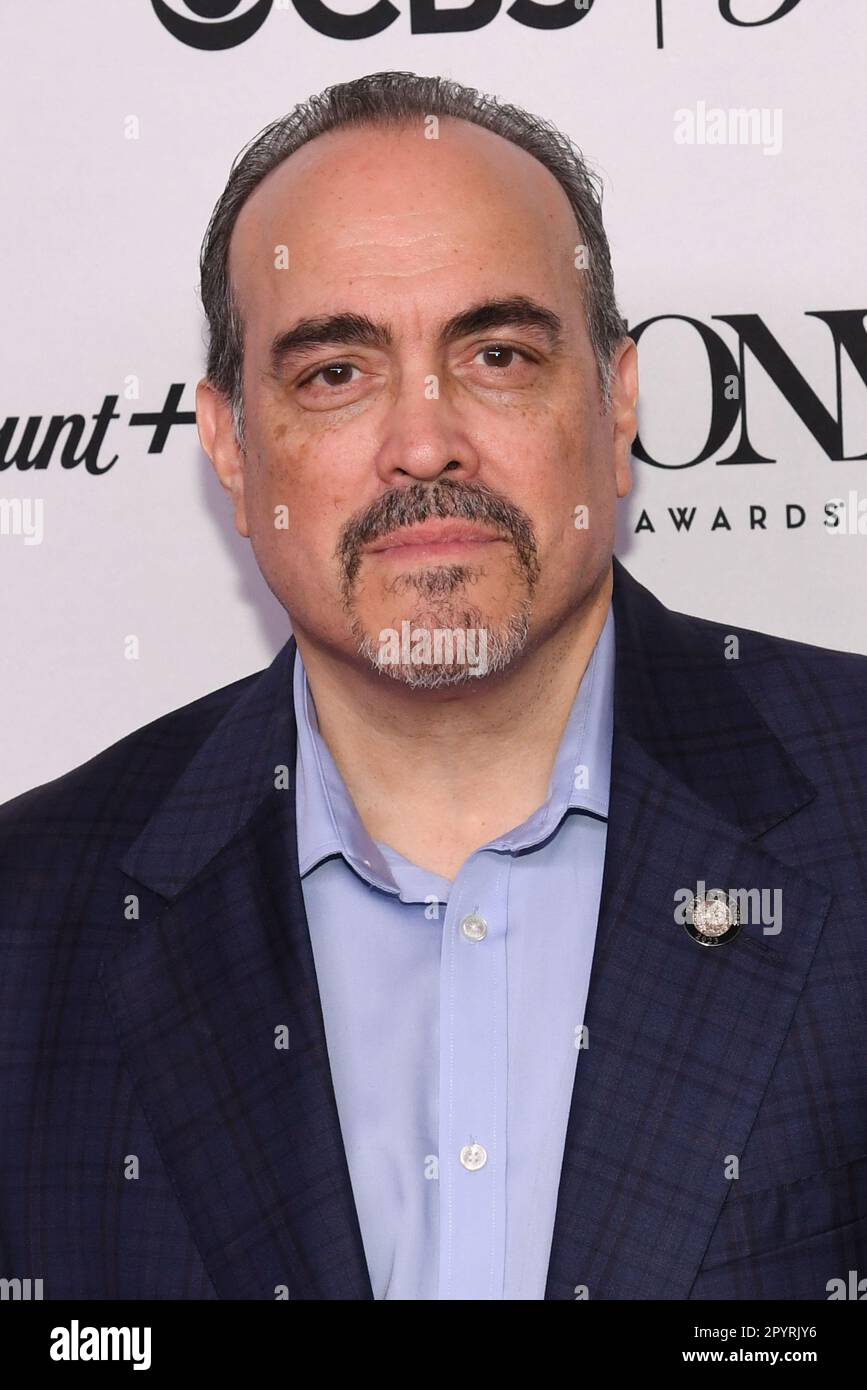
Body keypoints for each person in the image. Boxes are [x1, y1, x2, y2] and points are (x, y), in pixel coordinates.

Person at [1, 71, 865, 1302]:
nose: (424, 439)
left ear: (617, 407)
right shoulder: (31, 920)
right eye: (334, 373)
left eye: (498, 353)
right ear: (233, 451)